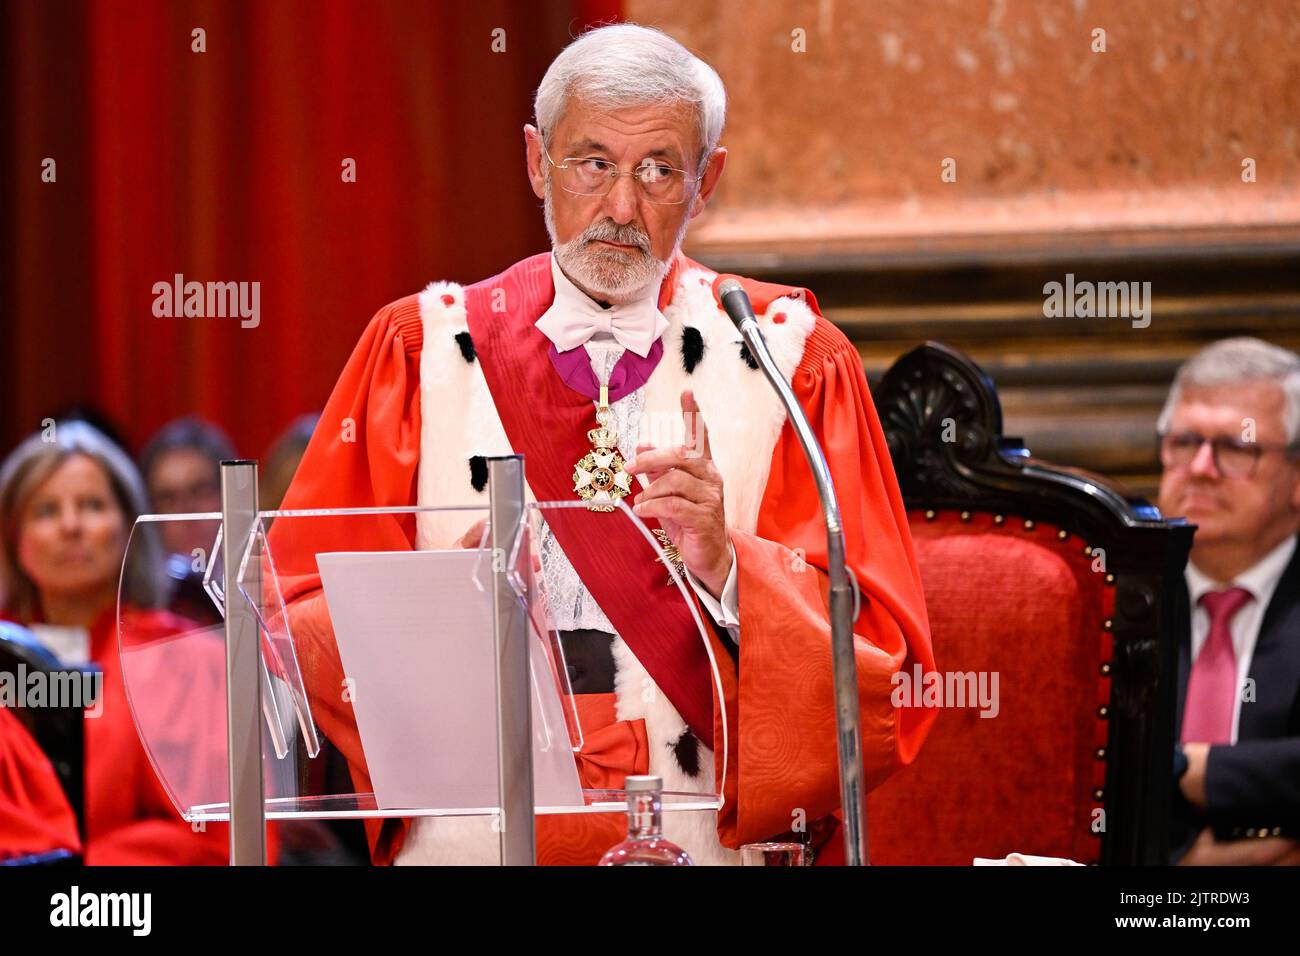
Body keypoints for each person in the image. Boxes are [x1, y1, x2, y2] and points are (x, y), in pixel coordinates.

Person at [271, 23, 936, 865]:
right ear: (535, 161)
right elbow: (292, 620)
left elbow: (884, 672)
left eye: (660, 170)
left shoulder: (792, 362)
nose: (623, 207)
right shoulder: (420, 352)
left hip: (708, 837)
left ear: (707, 183)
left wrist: (733, 571)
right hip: (481, 835)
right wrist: (440, 604)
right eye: (593, 164)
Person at [0, 420, 230, 864]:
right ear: (15, 538)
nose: (70, 526)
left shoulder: (189, 658)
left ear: (128, 526)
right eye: (46, 511)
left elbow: (213, 837)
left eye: (91, 505)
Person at [1157, 338, 1300, 865]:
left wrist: (1196, 772)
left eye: (1236, 448)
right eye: (1184, 441)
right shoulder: (1109, 587)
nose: (1200, 467)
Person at [139, 417, 235, 626]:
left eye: (200, 491)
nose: (186, 510)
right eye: (168, 499)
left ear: (227, 494)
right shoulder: (139, 604)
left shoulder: (261, 589)